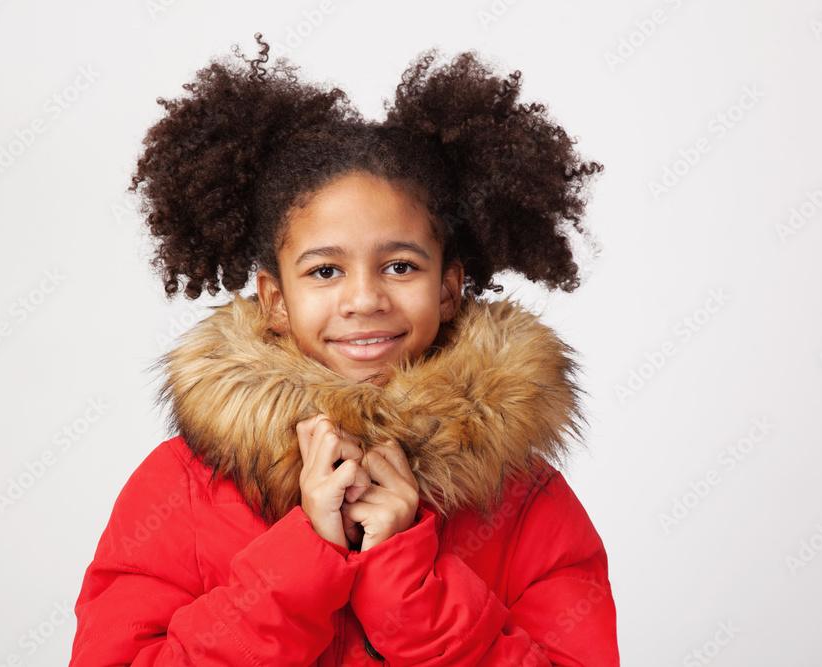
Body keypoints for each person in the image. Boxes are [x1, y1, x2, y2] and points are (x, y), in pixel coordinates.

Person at [70, 35, 618, 666]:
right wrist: (301, 559)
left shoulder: (523, 499)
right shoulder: (182, 488)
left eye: (401, 266)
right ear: (275, 299)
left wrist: (409, 589)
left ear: (448, 287)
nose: (364, 299)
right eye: (325, 271)